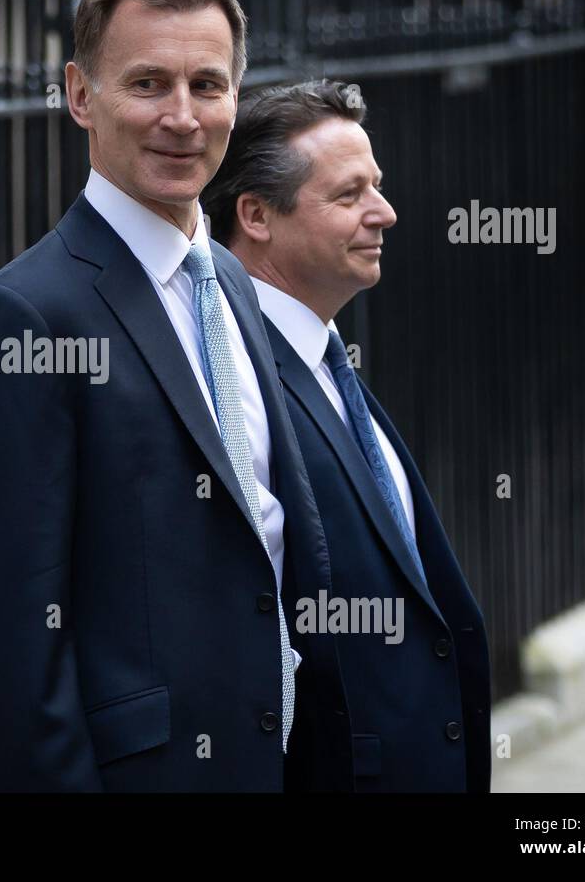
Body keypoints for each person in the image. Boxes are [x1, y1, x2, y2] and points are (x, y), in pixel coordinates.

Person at [0, 0, 329, 791]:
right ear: (81, 95)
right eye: (148, 83)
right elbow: (10, 648)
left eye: (208, 85)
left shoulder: (231, 283)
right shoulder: (24, 317)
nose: (182, 118)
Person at [202, 80, 492, 791]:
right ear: (256, 215)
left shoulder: (324, 356)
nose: (384, 213)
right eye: (349, 195)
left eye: (379, 188)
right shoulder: (235, 375)